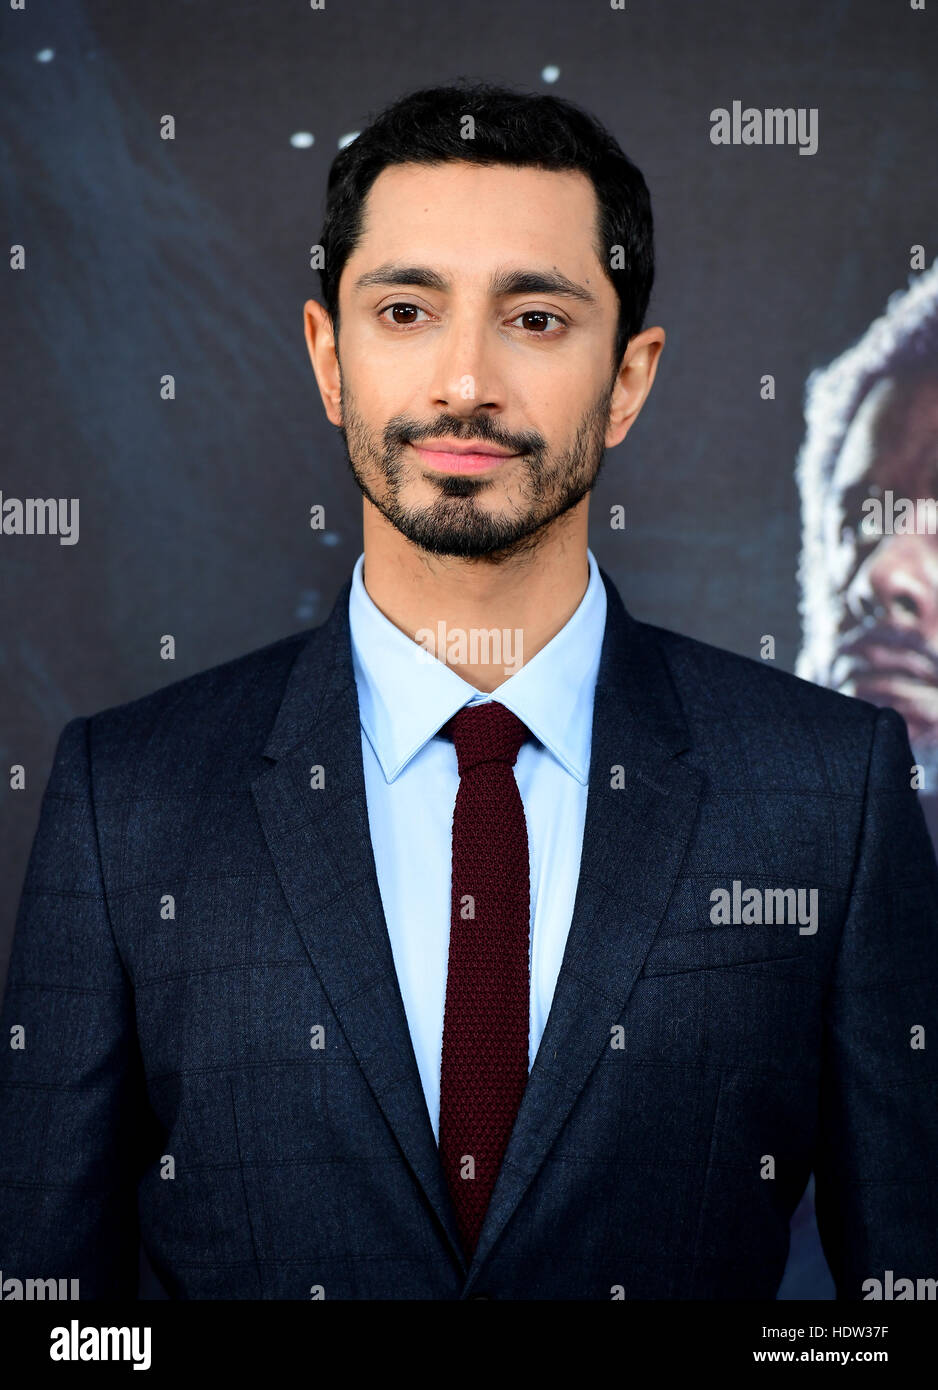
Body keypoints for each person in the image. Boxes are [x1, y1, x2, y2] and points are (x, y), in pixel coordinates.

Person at [1, 82, 936, 1302]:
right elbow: (47, 1315)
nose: (462, 383)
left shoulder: (826, 791)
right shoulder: (123, 797)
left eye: (535, 318)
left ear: (629, 376)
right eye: (404, 308)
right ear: (329, 358)